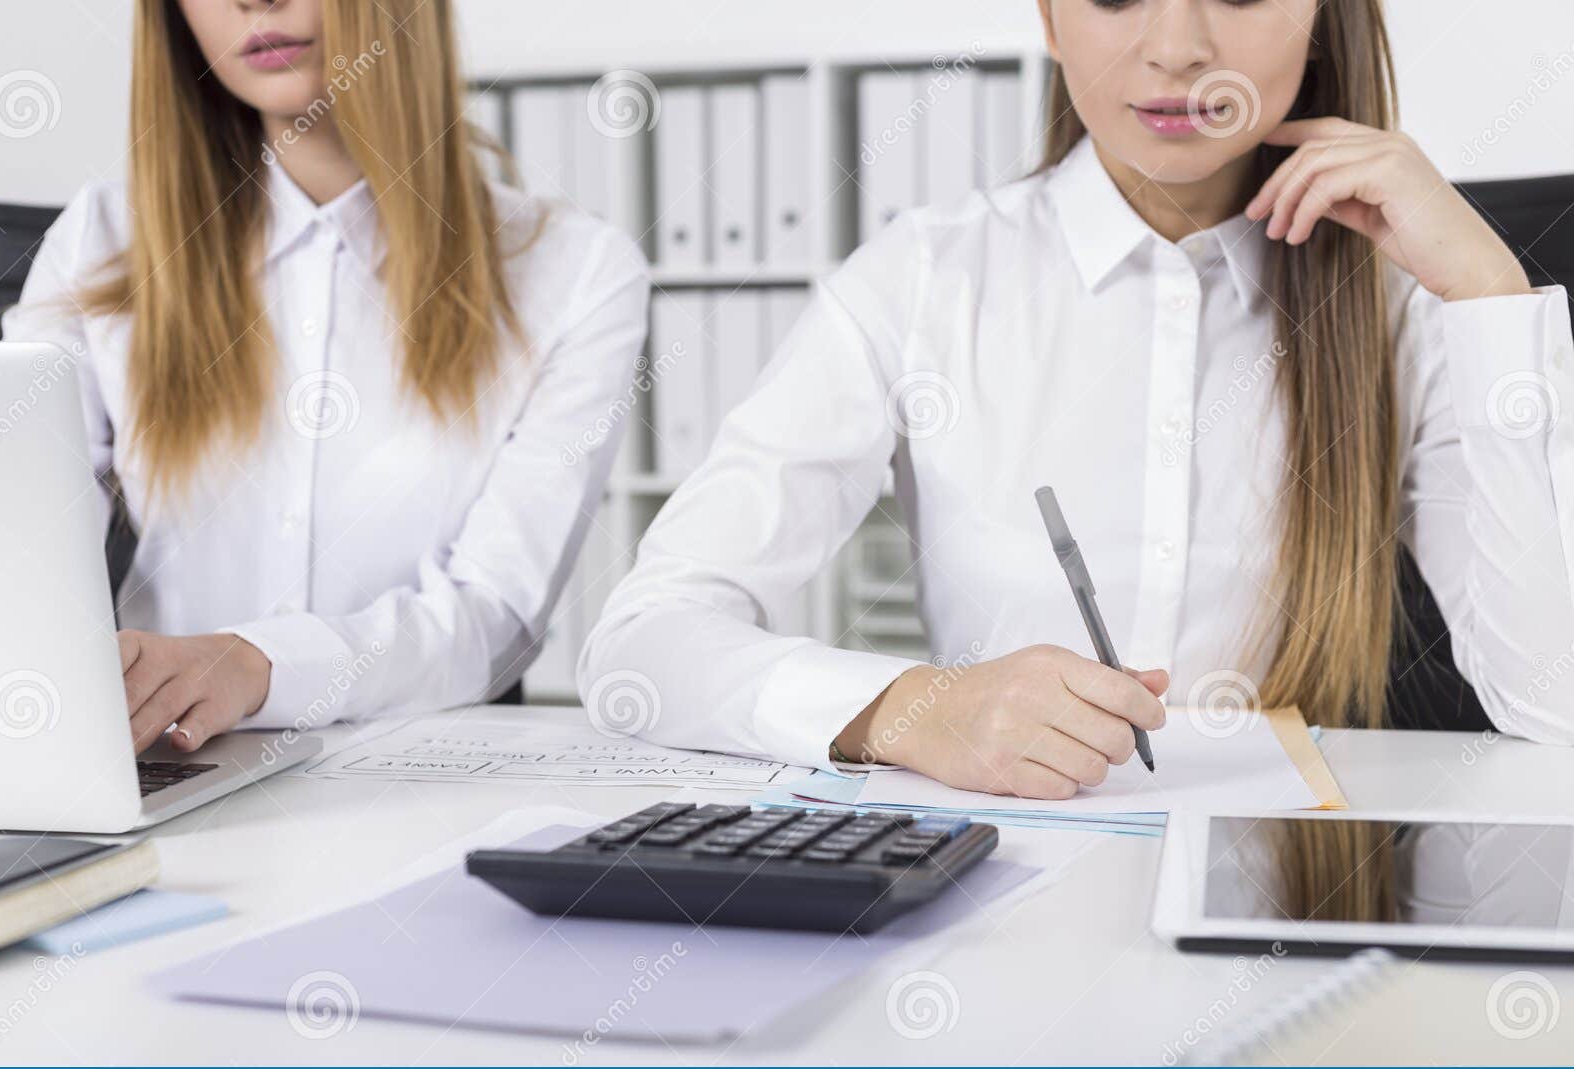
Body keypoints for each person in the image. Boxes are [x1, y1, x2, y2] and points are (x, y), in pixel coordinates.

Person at [581, 0, 1574, 799]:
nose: (1178, 48)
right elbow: (643, 642)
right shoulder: (922, 280)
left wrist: (1489, 294)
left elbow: (1554, 707)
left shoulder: (1402, 303)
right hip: (1001, 899)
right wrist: (916, 707)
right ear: (1049, 19)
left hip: (1298, 898)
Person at [4, 0, 648, 754]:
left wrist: (258, 666)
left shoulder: (575, 274)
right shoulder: (101, 240)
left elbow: (494, 615)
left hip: (415, 776)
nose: (253, 1)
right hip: (165, 764)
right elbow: (17, 553)